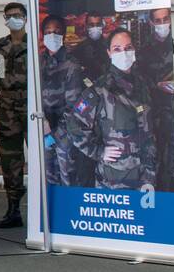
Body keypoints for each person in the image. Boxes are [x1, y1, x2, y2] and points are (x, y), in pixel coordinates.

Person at [56, 29, 157, 190]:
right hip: (115, 180)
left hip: (146, 175)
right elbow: (74, 123)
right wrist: (98, 151)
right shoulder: (100, 89)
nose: (124, 53)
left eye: (128, 47)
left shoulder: (143, 84)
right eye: (117, 49)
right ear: (109, 53)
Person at [0, 1, 29, 228]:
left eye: (18, 15)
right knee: (11, 160)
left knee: (42, 159)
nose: (14, 18)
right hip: (8, 110)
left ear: (26, 18)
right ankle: (13, 209)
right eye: (9, 15)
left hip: (33, 110)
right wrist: (11, 85)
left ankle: (46, 209)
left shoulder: (36, 45)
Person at [39, 13, 93, 186]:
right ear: (42, 35)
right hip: (43, 130)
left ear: (63, 35)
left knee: (67, 179)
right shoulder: (38, 62)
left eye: (56, 31)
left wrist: (54, 130)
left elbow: (74, 106)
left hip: (65, 133)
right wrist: (43, 127)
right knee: (48, 179)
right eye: (48, 32)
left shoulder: (72, 65)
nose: (52, 35)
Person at [137, 7, 174, 191]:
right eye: (158, 20)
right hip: (157, 115)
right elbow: (139, 81)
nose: (163, 24)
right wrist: (157, 85)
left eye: (165, 19)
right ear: (152, 23)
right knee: (159, 160)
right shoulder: (144, 50)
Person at [72, 12, 109, 83]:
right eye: (91, 25)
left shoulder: (109, 46)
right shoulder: (79, 49)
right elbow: (77, 72)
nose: (95, 28)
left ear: (102, 26)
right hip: (87, 88)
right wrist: (89, 85)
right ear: (86, 26)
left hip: (108, 86)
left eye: (98, 25)